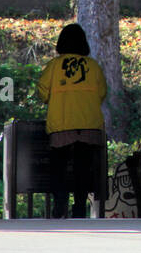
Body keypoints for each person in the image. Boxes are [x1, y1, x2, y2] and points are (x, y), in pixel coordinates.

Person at [37, 23, 107, 219]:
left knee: (58, 169)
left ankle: (59, 208)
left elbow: (42, 93)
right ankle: (79, 209)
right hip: (89, 125)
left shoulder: (53, 66)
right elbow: (102, 93)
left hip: (61, 124)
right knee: (83, 169)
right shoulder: (93, 67)